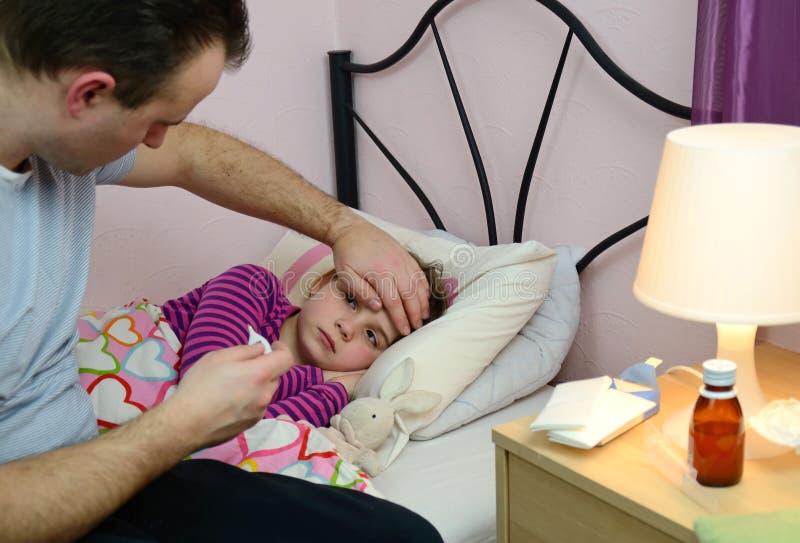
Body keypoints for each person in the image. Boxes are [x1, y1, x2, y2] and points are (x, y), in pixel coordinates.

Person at [0, 2, 442, 542]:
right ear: (88, 95)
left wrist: (342, 226)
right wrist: (178, 427)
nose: (160, 142)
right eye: (158, 121)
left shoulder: (54, 135)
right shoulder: (251, 289)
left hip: (110, 472)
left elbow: (195, 157)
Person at [160, 261, 447, 428]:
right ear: (320, 282)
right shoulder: (254, 286)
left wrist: (342, 388)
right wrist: (323, 379)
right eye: (349, 299)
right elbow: (206, 402)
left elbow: (246, 440)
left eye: (372, 336)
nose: (347, 327)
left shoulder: (326, 401)